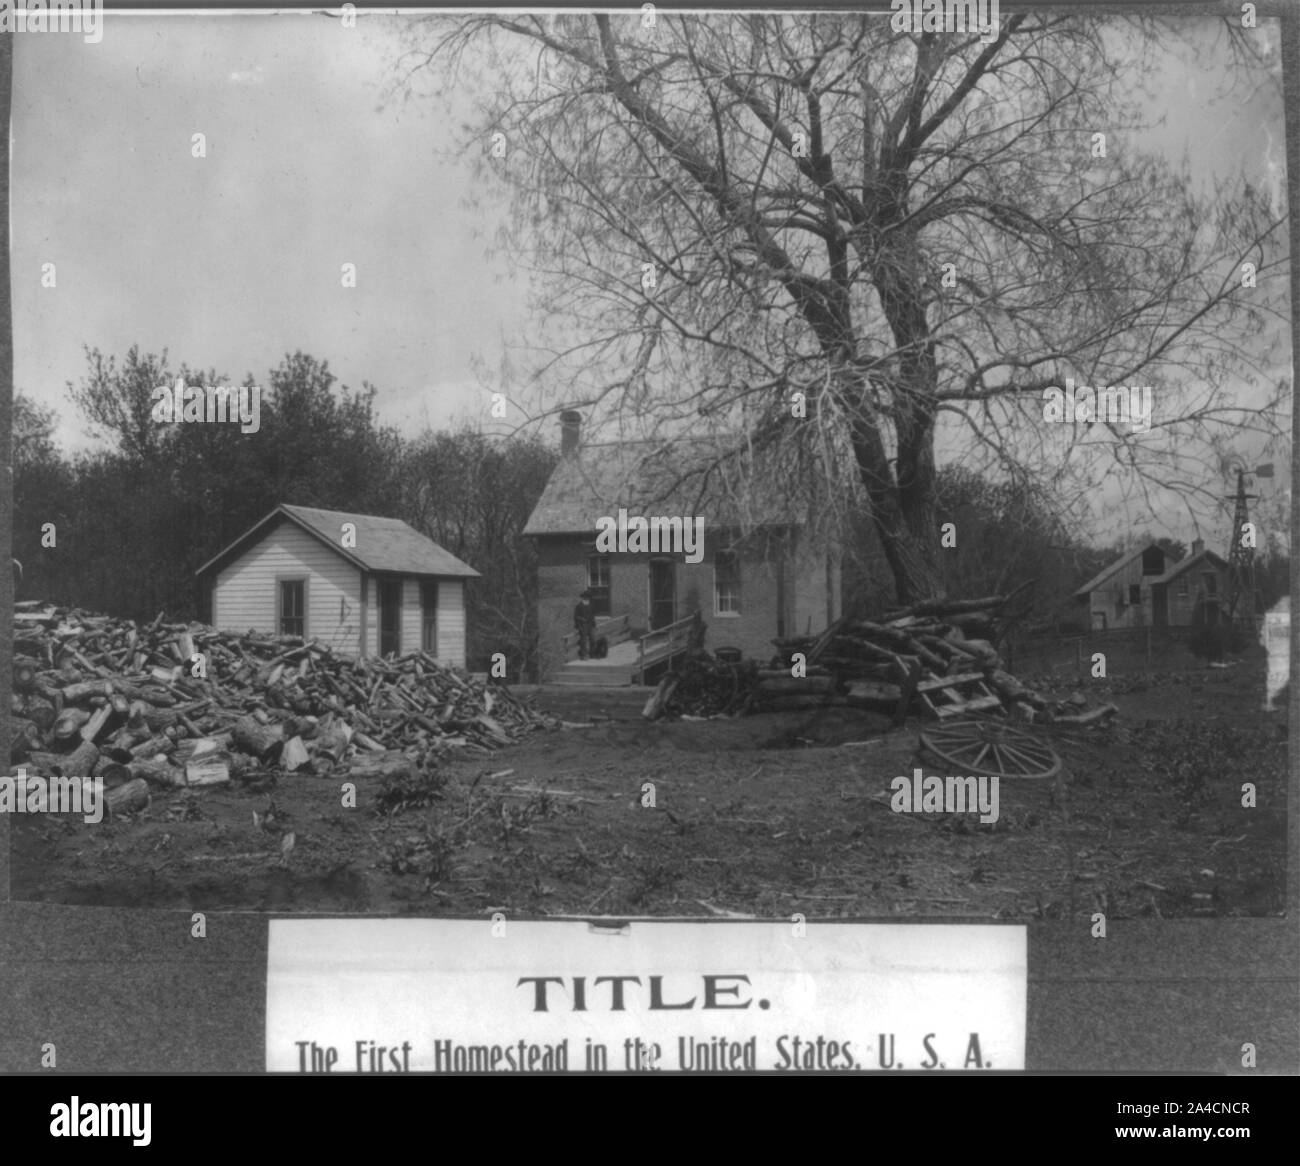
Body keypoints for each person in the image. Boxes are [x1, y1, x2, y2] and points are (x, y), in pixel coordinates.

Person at [574, 589, 597, 660]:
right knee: (583, 641)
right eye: (585, 596)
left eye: (588, 596)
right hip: (583, 625)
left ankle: (592, 654)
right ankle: (583, 655)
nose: (587, 598)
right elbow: (575, 617)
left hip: (591, 625)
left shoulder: (592, 605)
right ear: (583, 597)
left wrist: (594, 624)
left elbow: (593, 615)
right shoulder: (578, 606)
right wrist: (579, 625)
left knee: (593, 639)